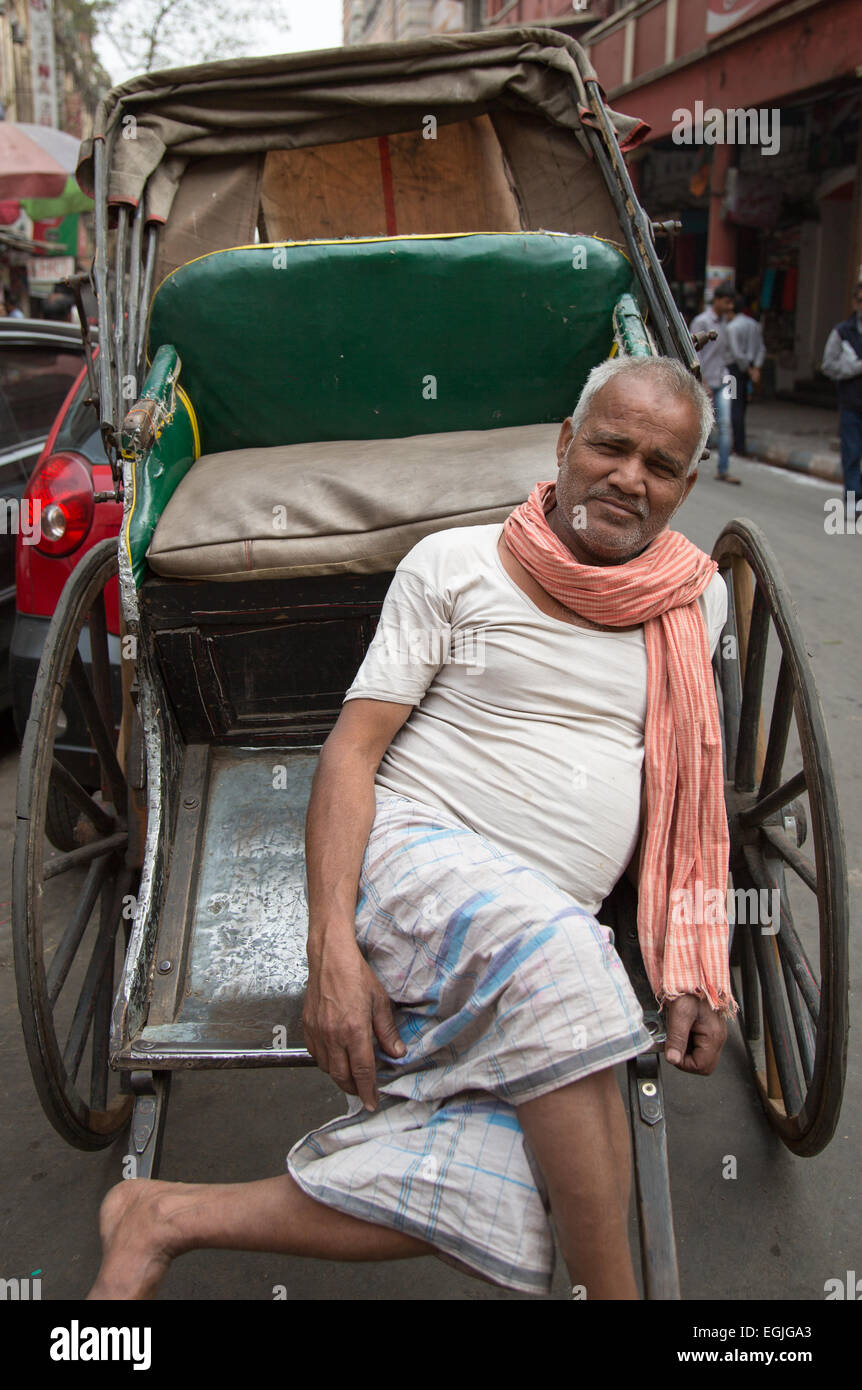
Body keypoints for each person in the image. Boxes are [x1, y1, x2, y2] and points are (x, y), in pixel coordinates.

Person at [86, 355, 735, 1303]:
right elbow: (349, 755)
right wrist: (332, 952)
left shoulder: (692, 599)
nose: (631, 478)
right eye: (611, 445)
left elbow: (694, 792)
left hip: (538, 935)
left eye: (663, 465)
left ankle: (163, 1215)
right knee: (563, 960)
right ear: (565, 444)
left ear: (683, 487)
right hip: (418, 867)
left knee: (502, 1196)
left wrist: (694, 964)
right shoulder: (456, 565)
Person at [690, 281, 740, 484]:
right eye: (727, 302)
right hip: (704, 381)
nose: (730, 307)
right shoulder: (701, 322)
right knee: (698, 427)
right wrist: (701, 381)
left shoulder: (728, 324)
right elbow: (692, 353)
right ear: (717, 300)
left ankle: (723, 469)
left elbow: (729, 354)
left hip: (723, 380)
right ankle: (689, 467)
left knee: (726, 424)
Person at [821, 282, 862, 515]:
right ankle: (853, 503)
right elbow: (828, 365)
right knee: (852, 453)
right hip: (852, 404)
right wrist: (855, 368)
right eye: (861, 300)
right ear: (855, 303)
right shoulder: (842, 332)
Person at [726, 295, 765, 457]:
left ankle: (737, 445)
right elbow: (761, 348)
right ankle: (739, 444)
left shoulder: (732, 327)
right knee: (741, 406)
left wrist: (748, 368)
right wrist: (755, 367)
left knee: (734, 406)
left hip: (734, 370)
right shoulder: (754, 324)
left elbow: (736, 353)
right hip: (748, 369)